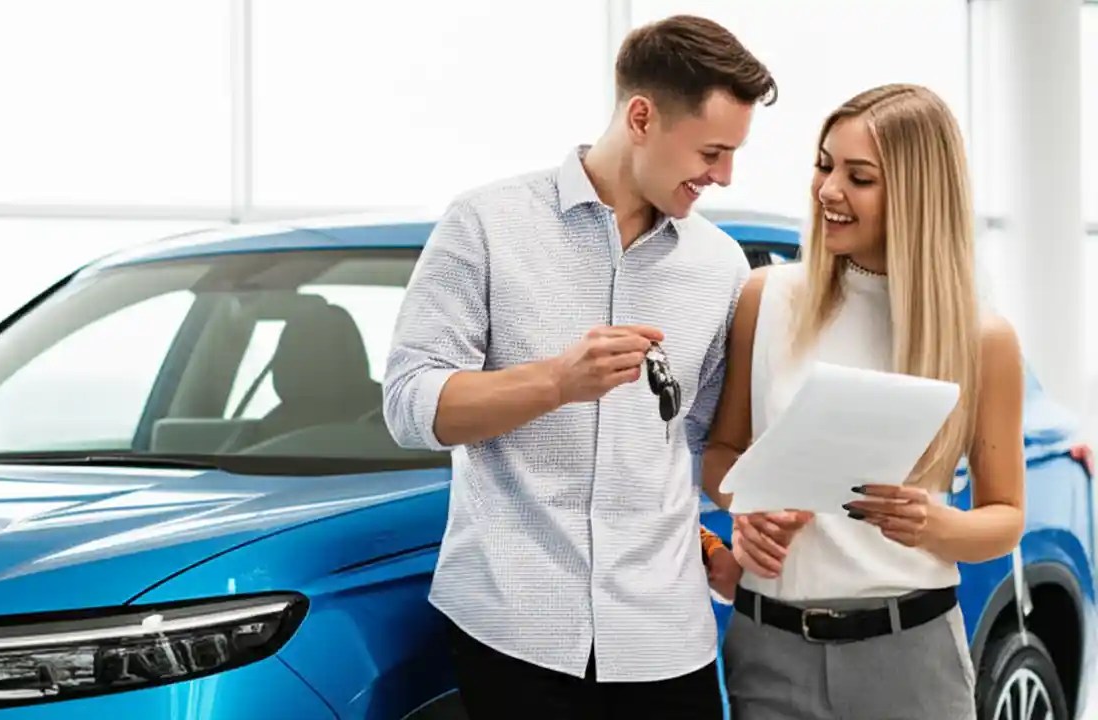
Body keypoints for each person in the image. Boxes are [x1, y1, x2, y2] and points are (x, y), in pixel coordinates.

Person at [381, 14, 773, 719]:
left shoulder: (718, 265)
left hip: (668, 638)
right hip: (514, 631)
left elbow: (699, 435)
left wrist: (727, 530)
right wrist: (556, 383)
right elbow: (410, 404)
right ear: (642, 116)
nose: (723, 175)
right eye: (712, 151)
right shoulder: (486, 225)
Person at [701, 83, 1026, 720]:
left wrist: (937, 526)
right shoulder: (766, 298)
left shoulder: (981, 338)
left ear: (916, 191)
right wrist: (747, 506)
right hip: (770, 650)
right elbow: (720, 454)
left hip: (911, 659)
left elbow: (1006, 515)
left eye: (859, 176)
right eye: (823, 166)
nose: (828, 190)